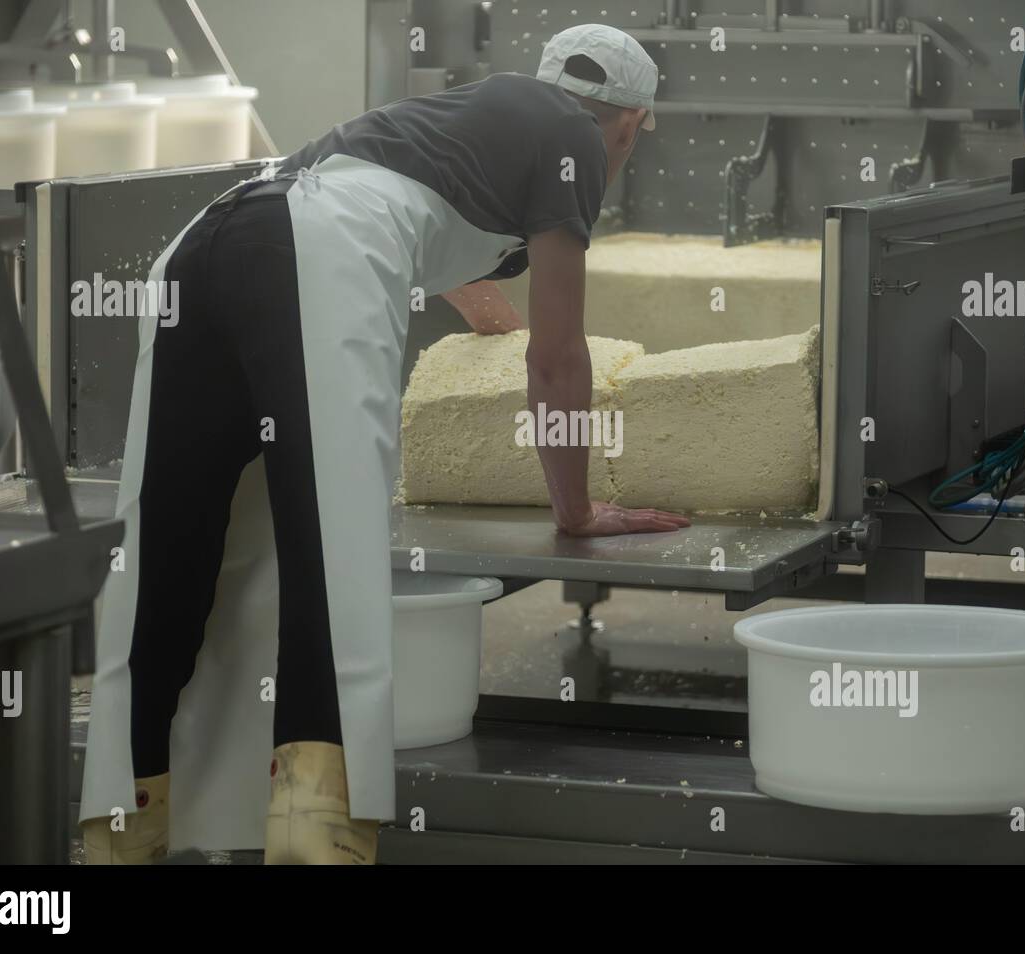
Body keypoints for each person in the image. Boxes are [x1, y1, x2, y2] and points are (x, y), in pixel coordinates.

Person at [79, 23, 690, 865]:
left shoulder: (480, 110)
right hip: (315, 255)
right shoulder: (577, 143)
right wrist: (576, 509)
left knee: (169, 559)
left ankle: (122, 833)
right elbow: (558, 359)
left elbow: (418, 214)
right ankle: (315, 845)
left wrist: (482, 316)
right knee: (333, 558)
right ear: (628, 121)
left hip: (203, 248)